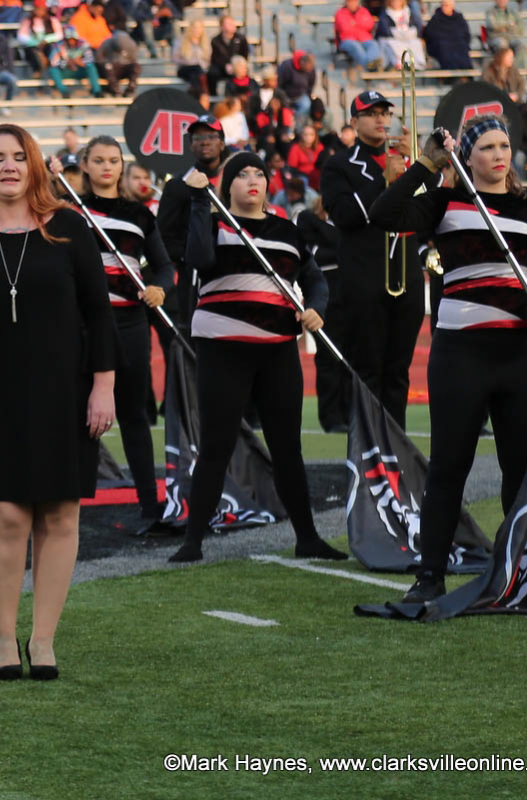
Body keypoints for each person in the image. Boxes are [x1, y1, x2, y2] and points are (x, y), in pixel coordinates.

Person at [0, 123, 119, 679]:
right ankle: (2, 640)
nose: (9, 167)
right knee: (6, 515)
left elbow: (99, 313)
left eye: (20, 157)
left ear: (36, 165)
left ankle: (42, 640)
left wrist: (104, 385)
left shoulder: (69, 228)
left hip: (65, 390)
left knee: (61, 514)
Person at [370, 118, 527, 602]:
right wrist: (425, 165)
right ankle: (430, 574)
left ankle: (521, 568)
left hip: (518, 354)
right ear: (469, 156)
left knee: (521, 468)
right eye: (486, 147)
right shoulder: (444, 202)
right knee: (449, 467)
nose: (499, 154)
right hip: (460, 353)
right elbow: (383, 214)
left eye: (504, 145)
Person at [170, 153, 347, 563]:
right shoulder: (213, 222)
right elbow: (198, 258)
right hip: (223, 348)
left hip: (277, 350)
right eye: (242, 174)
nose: (253, 180)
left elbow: (314, 279)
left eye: (260, 174)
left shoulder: (287, 231)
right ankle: (192, 541)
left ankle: (308, 537)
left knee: (288, 447)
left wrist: (317, 307)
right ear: (227, 185)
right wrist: (199, 202)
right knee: (217, 443)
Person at [70, 135, 172, 520]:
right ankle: (69, 506)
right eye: (98, 160)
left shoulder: (140, 214)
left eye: (113, 160)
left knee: (133, 413)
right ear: (85, 165)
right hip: (78, 322)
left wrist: (160, 288)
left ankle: (149, 504)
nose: (107, 167)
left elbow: (163, 266)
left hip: (129, 320)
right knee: (76, 411)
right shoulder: (67, 210)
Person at [319, 90, 424, 428]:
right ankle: (367, 450)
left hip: (406, 275)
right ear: (354, 121)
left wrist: (417, 168)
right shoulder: (338, 164)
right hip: (365, 277)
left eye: (385, 113)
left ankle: (397, 450)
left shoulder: (408, 161)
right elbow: (346, 216)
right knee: (367, 368)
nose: (381, 120)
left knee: (398, 371)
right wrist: (384, 180)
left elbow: (429, 210)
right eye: (371, 113)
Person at [157, 114, 230, 326]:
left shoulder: (238, 182)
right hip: (194, 281)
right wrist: (191, 256)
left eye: (210, 136)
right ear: (190, 145)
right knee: (195, 341)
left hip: (235, 274)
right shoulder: (178, 185)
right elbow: (164, 237)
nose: (204, 141)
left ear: (222, 142)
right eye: (197, 138)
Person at [295, 197, 347, 432]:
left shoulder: (345, 226)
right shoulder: (309, 222)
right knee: (328, 358)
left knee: (349, 358)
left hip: (349, 298)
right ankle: (331, 417)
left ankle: (347, 413)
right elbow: (338, 244)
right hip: (325, 301)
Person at [47, 26, 103, 98]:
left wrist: (78, 62)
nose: (71, 42)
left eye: (73, 39)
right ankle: (64, 92)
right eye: (69, 39)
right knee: (53, 70)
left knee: (91, 67)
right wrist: (66, 63)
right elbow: (53, 62)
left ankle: (97, 91)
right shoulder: (58, 45)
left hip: (80, 70)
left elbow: (90, 59)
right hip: (66, 71)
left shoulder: (83, 44)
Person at [16, 0, 63, 77]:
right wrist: (35, 42)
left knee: (51, 49)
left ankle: (44, 65)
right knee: (33, 51)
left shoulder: (52, 20)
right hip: (33, 46)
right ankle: (39, 67)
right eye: (38, 9)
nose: (40, 12)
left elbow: (59, 34)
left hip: (47, 46)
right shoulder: (28, 21)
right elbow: (21, 36)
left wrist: (46, 40)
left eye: (42, 9)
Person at [335, 0, 384, 72]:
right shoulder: (340, 13)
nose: (352, 4)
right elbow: (345, 28)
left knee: (374, 44)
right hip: (347, 40)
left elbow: (370, 25)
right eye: (350, 2)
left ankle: (371, 64)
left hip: (364, 38)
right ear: (346, 3)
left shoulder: (363, 11)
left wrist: (354, 23)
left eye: (354, 2)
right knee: (356, 47)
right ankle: (369, 66)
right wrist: (360, 24)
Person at [376, 0, 426, 70]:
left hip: (409, 36)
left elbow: (417, 25)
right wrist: (398, 34)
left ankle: (417, 64)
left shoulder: (409, 12)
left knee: (416, 42)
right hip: (394, 38)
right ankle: (402, 63)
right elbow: (385, 30)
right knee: (391, 43)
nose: (396, 2)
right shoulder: (385, 13)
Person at [423, 0, 471, 70]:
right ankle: (450, 76)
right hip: (441, 46)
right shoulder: (436, 19)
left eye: (447, 5)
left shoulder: (459, 18)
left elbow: (466, 35)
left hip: (457, 44)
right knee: (444, 47)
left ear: (452, 6)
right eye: (443, 5)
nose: (445, 7)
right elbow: (430, 35)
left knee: (462, 46)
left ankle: (466, 74)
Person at [208, 14, 250, 96]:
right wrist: (225, 66)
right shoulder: (216, 40)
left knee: (242, 72)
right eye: (229, 24)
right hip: (222, 67)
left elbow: (244, 54)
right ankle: (213, 96)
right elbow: (215, 58)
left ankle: (243, 94)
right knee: (212, 73)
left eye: (232, 23)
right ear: (222, 27)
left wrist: (236, 65)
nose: (232, 25)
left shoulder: (241, 39)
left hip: (237, 65)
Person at [174, 18, 210, 103]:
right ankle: (204, 94)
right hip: (185, 68)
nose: (197, 30)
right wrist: (190, 62)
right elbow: (175, 58)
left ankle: (194, 94)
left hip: (199, 71)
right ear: (190, 28)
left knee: (196, 74)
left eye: (199, 27)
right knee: (197, 70)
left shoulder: (205, 42)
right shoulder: (181, 40)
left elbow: (208, 59)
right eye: (195, 27)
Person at [485, 0, 527, 70]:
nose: (502, 1)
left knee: (521, 47)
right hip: (496, 38)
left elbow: (521, 28)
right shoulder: (490, 12)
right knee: (502, 45)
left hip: (511, 38)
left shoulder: (513, 12)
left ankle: (518, 71)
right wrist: (510, 24)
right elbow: (493, 25)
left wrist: (503, 27)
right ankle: (504, 71)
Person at [97, 29, 140, 98]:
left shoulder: (132, 45)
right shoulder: (106, 43)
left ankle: (131, 87)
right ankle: (114, 89)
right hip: (111, 69)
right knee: (107, 66)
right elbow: (99, 59)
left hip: (124, 68)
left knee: (136, 67)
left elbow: (133, 60)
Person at [277, 50, 316, 121]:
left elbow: (311, 84)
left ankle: (299, 128)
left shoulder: (311, 70)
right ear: (303, 62)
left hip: (300, 95)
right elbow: (279, 84)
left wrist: (308, 94)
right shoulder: (287, 66)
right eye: (308, 68)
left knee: (306, 105)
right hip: (286, 95)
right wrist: (283, 98)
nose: (309, 70)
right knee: (285, 111)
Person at [287, 123, 324, 189]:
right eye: (305, 134)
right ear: (302, 136)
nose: (308, 137)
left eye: (311, 134)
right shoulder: (296, 148)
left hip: (317, 175)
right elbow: (292, 167)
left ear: (315, 136)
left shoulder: (320, 147)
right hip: (302, 176)